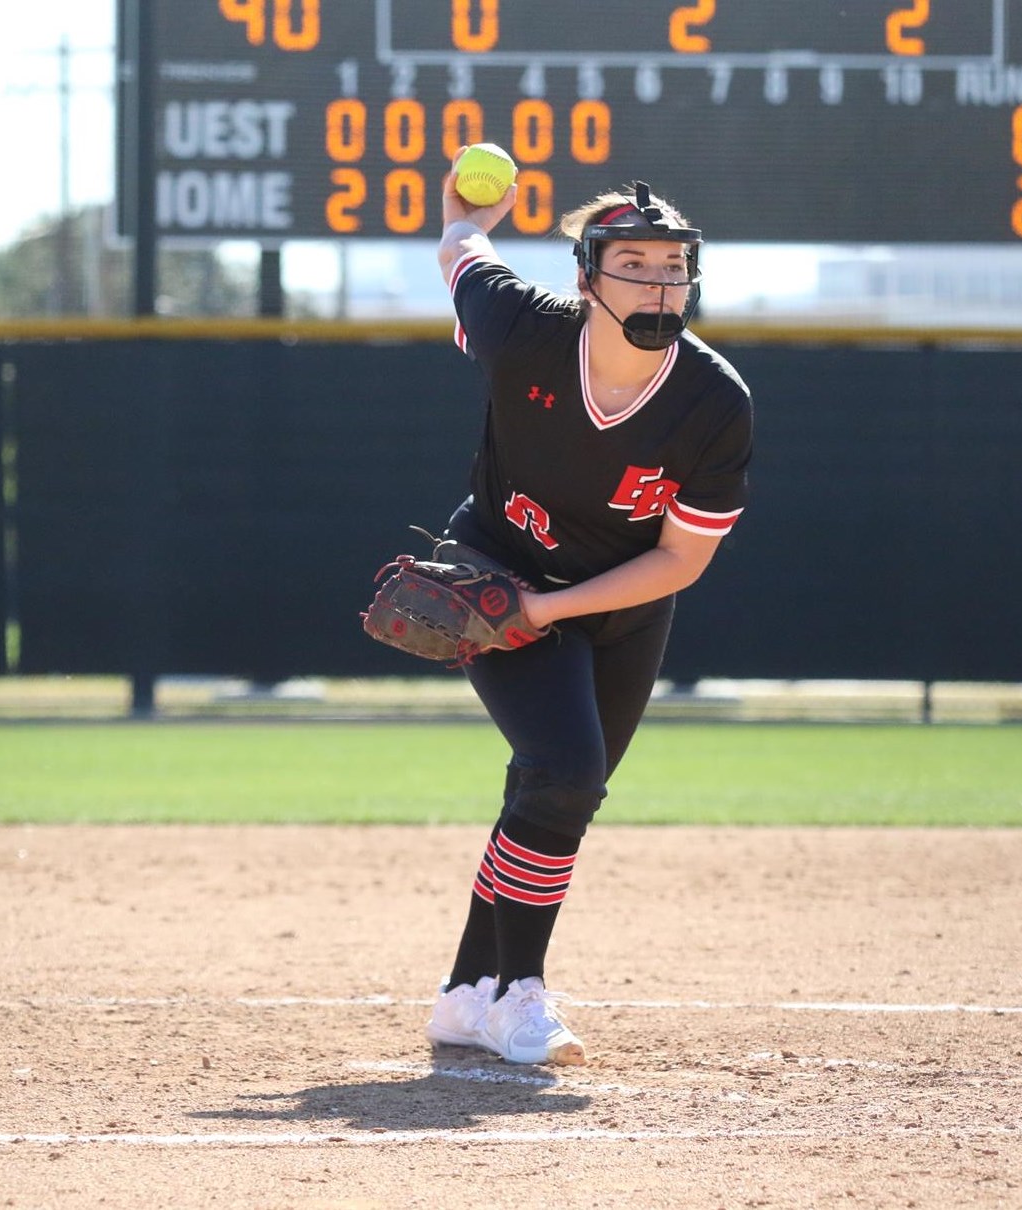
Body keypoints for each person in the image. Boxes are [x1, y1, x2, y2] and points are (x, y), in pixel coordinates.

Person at [419, 156, 753, 1066]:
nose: (658, 281)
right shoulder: (521, 328)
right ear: (587, 276)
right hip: (495, 570)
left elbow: (679, 559)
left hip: (620, 600)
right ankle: (518, 996)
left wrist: (551, 604)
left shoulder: (714, 401)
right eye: (634, 264)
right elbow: (463, 253)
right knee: (564, 769)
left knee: (560, 789)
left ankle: (463, 995)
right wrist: (459, 213)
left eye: (672, 265)